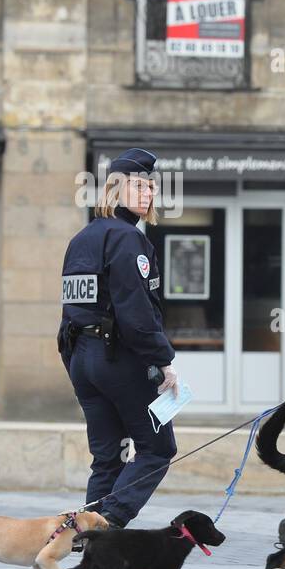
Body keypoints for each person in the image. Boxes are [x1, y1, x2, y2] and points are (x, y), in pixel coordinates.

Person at [58, 149, 177, 529]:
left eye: (152, 187)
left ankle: (93, 546)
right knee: (158, 449)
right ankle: (107, 525)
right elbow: (136, 313)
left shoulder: (81, 239)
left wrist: (76, 364)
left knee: (108, 457)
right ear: (114, 189)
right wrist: (163, 360)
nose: (148, 194)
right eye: (139, 186)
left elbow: (71, 308)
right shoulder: (128, 240)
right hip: (118, 358)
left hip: (83, 358)